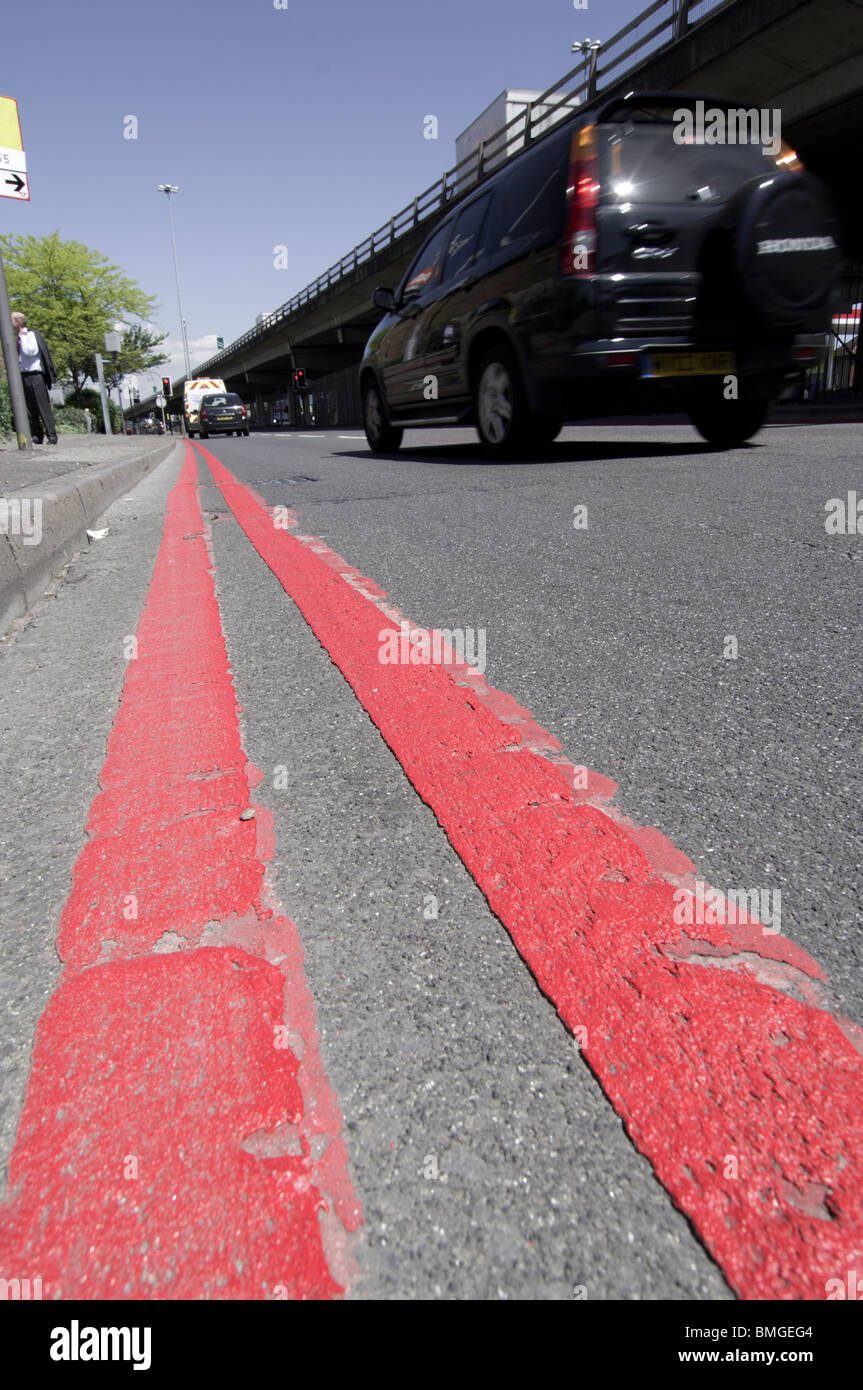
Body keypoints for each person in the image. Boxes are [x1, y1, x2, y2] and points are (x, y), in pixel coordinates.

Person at [11, 311, 58, 444]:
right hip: (24, 375)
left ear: (18, 322)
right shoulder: (18, 337)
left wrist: (23, 337)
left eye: (12, 320)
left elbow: (30, 351)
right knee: (31, 408)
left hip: (36, 375)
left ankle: (52, 436)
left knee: (42, 406)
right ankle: (37, 435)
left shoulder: (30, 335)